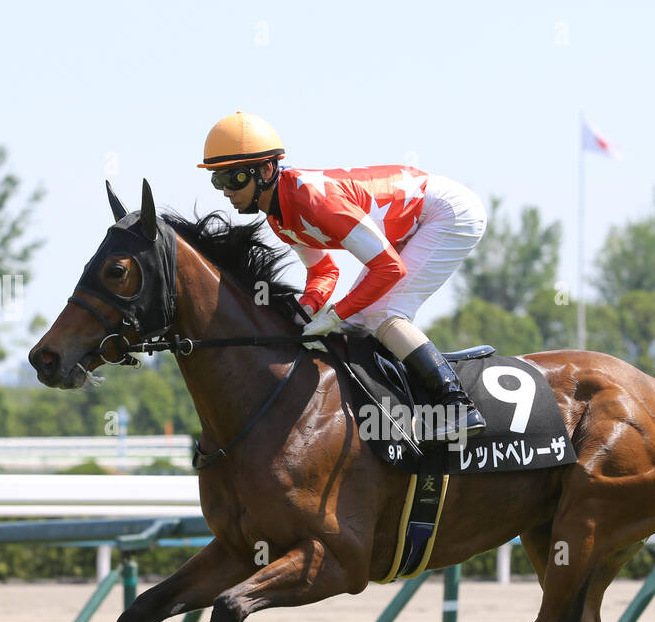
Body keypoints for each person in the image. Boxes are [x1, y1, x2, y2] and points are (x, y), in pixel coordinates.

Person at [198, 111, 487, 441]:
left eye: (233, 179)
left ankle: (456, 404)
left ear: (265, 171)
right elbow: (324, 271)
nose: (225, 191)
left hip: (447, 213)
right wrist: (303, 312)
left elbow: (390, 268)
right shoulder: (278, 219)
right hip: (410, 221)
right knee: (362, 318)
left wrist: (335, 314)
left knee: (381, 313)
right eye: (217, 180)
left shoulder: (312, 200)